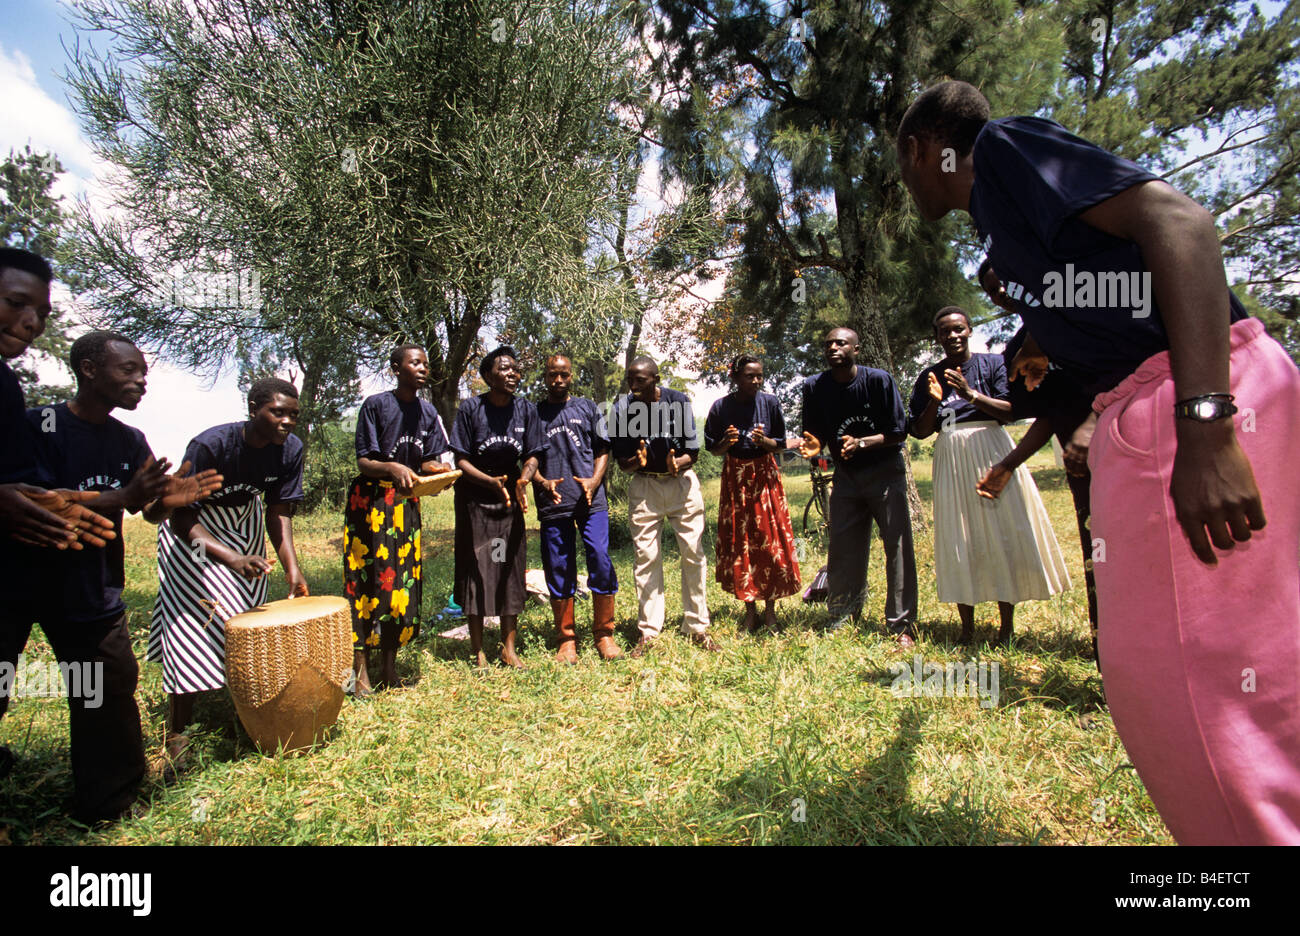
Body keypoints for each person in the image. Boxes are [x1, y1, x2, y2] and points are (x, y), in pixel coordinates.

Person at [897, 80, 1300, 844]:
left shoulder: (1002, 150)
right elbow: (1091, 342)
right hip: (1156, 402)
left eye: (904, 165)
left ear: (923, 150)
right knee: (1182, 678)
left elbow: (1182, 224)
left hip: (1197, 396)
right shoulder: (1009, 238)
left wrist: (1208, 427)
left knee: (1202, 687)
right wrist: (1042, 320)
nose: (908, 181)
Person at [4, 331, 220, 822]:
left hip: (90, 590)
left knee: (103, 690)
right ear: (89, 369)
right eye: (129, 370)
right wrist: (121, 498)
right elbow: (33, 501)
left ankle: (109, 803)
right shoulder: (38, 424)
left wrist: (168, 501)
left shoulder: (129, 440)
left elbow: (147, 509)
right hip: (15, 583)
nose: (141, 381)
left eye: (144, 372)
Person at [148, 377, 309, 770]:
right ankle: (178, 730)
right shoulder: (212, 445)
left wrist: (292, 566)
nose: (286, 421)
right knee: (196, 619)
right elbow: (181, 516)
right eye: (277, 412)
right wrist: (231, 559)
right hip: (197, 532)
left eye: (293, 415)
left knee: (245, 618)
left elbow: (279, 513)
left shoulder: (290, 449)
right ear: (254, 408)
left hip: (245, 522)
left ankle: (246, 713)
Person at [908, 306, 1069, 645]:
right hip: (951, 454)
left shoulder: (994, 363)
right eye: (944, 331)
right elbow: (921, 432)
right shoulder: (930, 376)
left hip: (992, 448)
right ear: (936, 337)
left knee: (1001, 532)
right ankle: (966, 628)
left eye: (958, 329)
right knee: (959, 536)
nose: (952, 335)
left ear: (968, 330)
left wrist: (969, 394)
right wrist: (935, 403)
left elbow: (1011, 412)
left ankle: (1006, 626)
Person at [976, 262, 1099, 659]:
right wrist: (1008, 463)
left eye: (1005, 282)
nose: (1002, 294)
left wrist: (1092, 424)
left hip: (1136, 449)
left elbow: (1133, 372)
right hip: (1083, 469)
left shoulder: (1083, 315)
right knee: (1099, 552)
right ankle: (1109, 652)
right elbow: (1045, 415)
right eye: (992, 291)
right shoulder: (1018, 351)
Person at [796, 328, 917, 647]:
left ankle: (901, 626)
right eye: (828, 344)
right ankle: (843, 615)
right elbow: (815, 433)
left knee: (897, 547)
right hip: (846, 476)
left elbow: (898, 431)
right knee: (844, 548)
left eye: (840, 343)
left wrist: (862, 442)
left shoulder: (878, 381)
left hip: (884, 473)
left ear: (856, 349)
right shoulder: (814, 386)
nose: (833, 347)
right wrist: (813, 444)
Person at [345, 344, 454, 694]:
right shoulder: (377, 406)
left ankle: (388, 667)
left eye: (425, 363)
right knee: (367, 583)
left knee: (399, 586)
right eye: (415, 362)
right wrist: (392, 466)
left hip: (406, 505)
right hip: (371, 504)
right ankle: (360, 671)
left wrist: (437, 471)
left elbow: (425, 461)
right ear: (396, 368)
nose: (423, 368)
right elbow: (365, 461)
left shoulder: (426, 411)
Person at [0, 248, 113, 552]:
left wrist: (40, 502)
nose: (33, 323)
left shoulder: (6, 386)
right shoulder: (45, 420)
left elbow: (13, 482)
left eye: (42, 315)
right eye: (16, 303)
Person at [609, 355, 718, 655]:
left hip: (682, 485)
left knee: (693, 554)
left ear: (655, 379)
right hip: (645, 487)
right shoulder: (622, 408)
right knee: (646, 558)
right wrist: (637, 461)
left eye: (640, 380)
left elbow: (692, 452)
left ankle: (697, 626)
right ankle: (648, 631)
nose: (633, 385)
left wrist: (677, 463)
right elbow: (622, 462)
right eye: (630, 379)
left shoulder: (678, 401)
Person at [449, 346, 544, 668]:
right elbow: (460, 458)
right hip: (475, 502)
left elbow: (532, 454)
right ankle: (478, 651)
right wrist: (489, 481)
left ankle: (508, 648)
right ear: (488, 375)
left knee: (507, 569)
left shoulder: (525, 410)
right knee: (477, 569)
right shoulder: (471, 410)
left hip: (508, 505)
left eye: (516, 369)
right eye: (505, 369)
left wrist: (524, 480)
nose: (513, 374)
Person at [532, 354, 621, 662]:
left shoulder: (586, 407)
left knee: (599, 555)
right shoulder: (535, 413)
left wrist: (595, 481)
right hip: (553, 501)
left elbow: (602, 448)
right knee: (558, 566)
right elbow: (528, 458)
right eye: (553, 375)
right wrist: (543, 481)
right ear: (545, 376)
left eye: (564, 375)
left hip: (590, 501)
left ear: (572, 376)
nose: (558, 380)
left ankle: (604, 634)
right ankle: (566, 639)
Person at [704, 355, 801, 632]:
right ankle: (750, 610)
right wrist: (726, 441)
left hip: (764, 475)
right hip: (735, 477)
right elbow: (713, 448)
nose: (756, 381)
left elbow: (780, 444)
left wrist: (764, 441)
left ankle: (770, 611)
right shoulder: (721, 407)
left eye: (759, 375)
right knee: (741, 541)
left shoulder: (769, 403)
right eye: (750, 376)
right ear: (735, 377)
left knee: (769, 541)